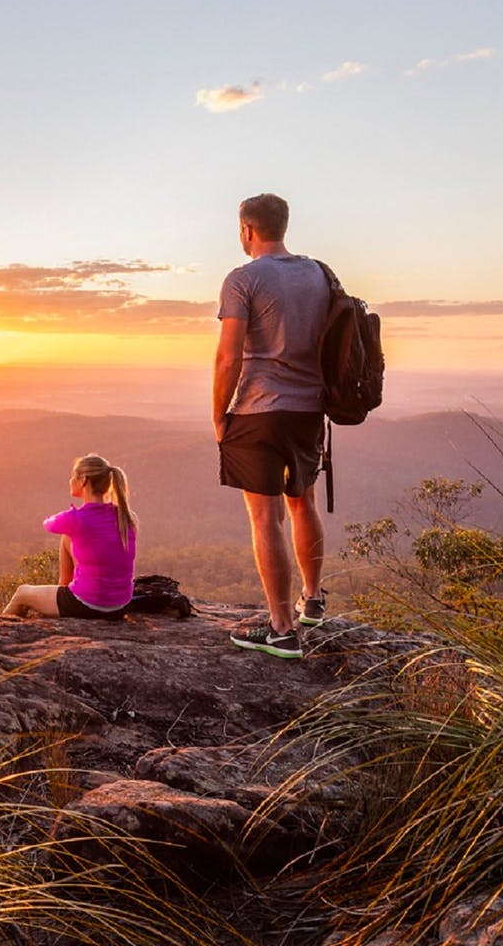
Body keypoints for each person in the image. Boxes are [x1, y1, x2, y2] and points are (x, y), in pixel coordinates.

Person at [214, 193, 330, 659]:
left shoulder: (243, 279)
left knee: (265, 518)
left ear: (247, 230)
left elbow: (228, 357)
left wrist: (219, 415)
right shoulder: (318, 274)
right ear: (283, 225)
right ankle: (313, 600)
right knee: (303, 503)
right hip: (310, 409)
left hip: (258, 409)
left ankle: (281, 628)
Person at [0, 454, 138, 620]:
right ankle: (64, 591)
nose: (70, 481)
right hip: (120, 605)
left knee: (22, 593)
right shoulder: (126, 517)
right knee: (70, 538)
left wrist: (70, 517)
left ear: (83, 480)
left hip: (88, 605)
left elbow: (48, 524)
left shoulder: (75, 519)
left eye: (73, 476)